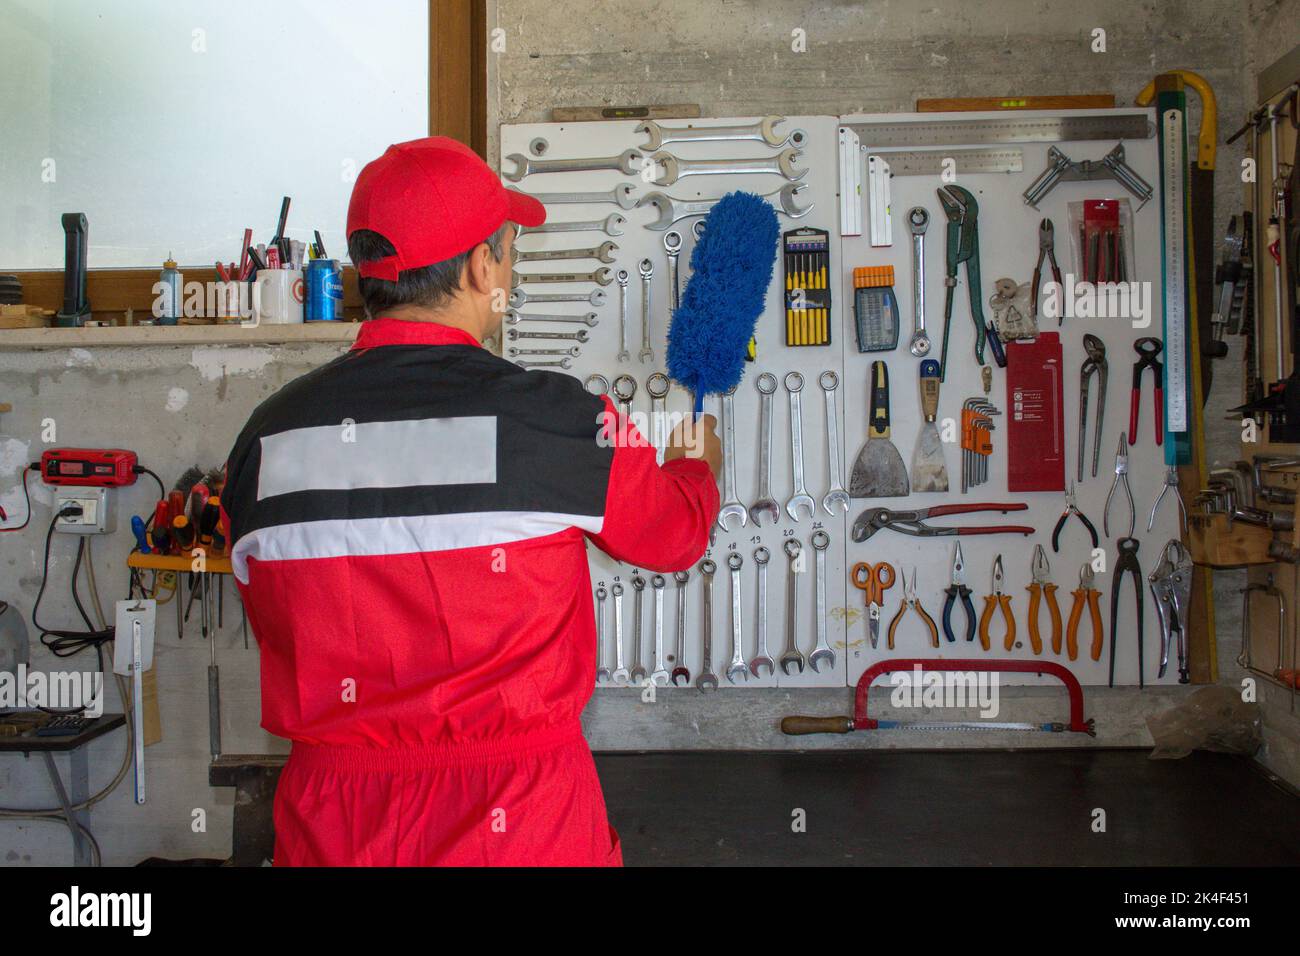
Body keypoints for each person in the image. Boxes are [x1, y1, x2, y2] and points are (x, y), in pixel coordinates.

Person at [221, 136, 721, 866]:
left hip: (336, 826)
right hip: (520, 823)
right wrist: (697, 466)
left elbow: (268, 601)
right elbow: (674, 535)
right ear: (482, 267)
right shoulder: (558, 421)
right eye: (508, 250)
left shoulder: (265, 439)